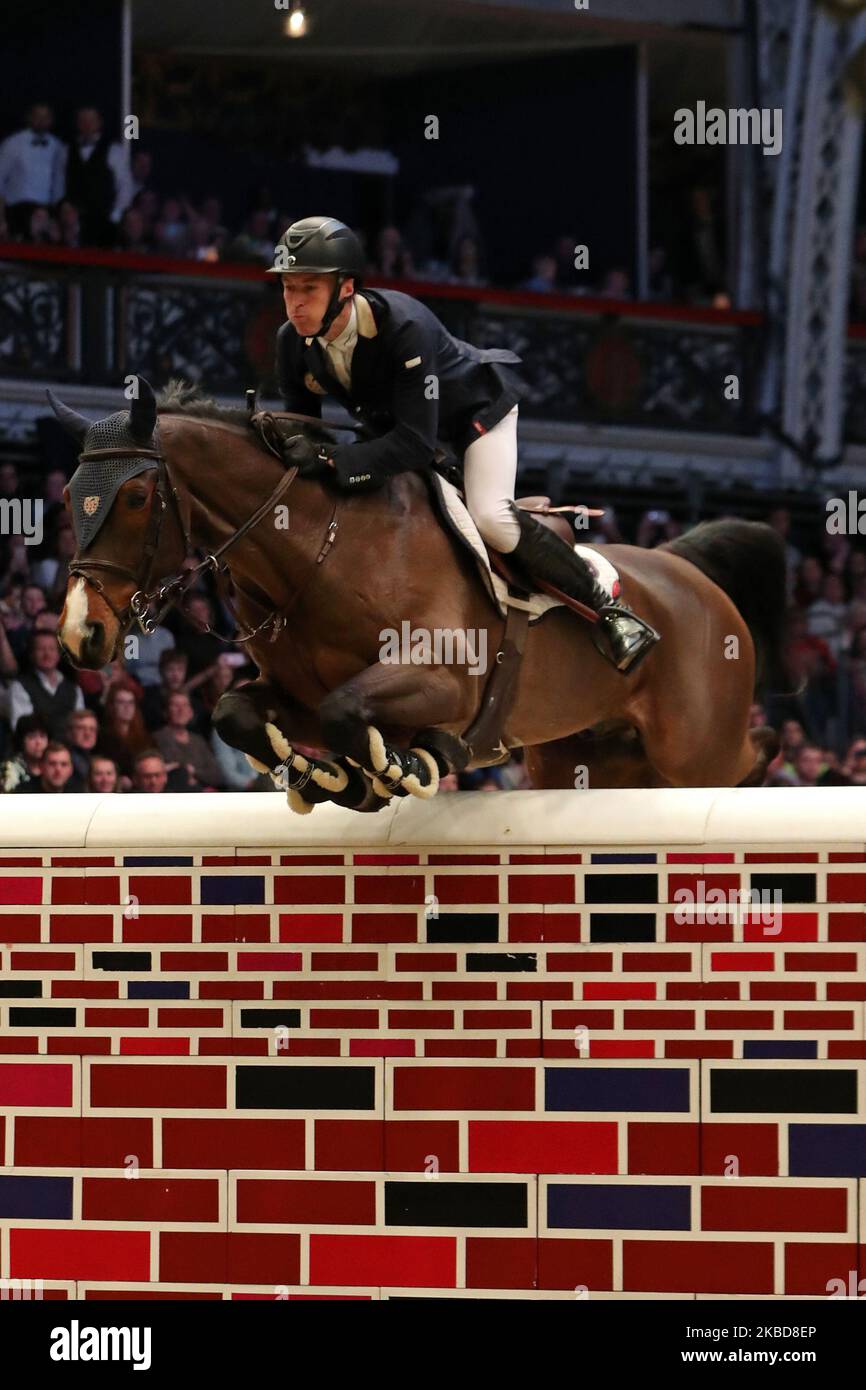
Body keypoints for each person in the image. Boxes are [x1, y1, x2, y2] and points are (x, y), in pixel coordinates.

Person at [270, 216, 659, 673]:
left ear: (346, 288)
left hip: (473, 417)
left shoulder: (402, 327)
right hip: (401, 427)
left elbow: (414, 445)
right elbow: (304, 429)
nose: (295, 304)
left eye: (309, 289)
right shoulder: (291, 343)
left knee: (490, 518)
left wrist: (329, 458)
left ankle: (606, 606)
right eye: (289, 288)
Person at [0, 103, 65, 238]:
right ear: (29, 118)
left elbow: (59, 183)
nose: (41, 120)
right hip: (17, 209)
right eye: (37, 116)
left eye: (45, 117)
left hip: (47, 211)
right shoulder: (13, 143)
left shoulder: (57, 146)